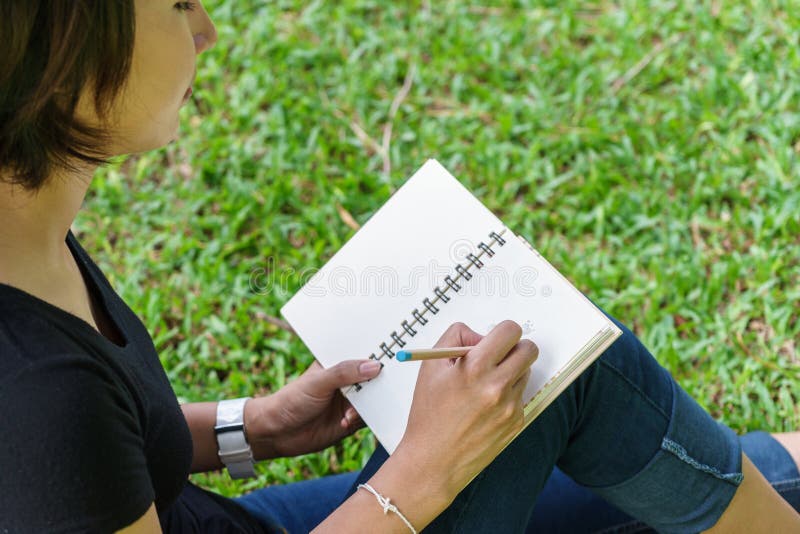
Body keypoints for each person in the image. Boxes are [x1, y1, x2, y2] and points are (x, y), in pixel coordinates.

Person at [1, 1, 798, 533]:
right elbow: (61, 448)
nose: (205, 29)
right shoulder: (37, 395)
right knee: (557, 366)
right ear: (57, 56)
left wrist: (252, 427)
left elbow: (91, 473)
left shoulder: (22, 224)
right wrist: (421, 472)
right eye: (176, 5)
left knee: (687, 473)